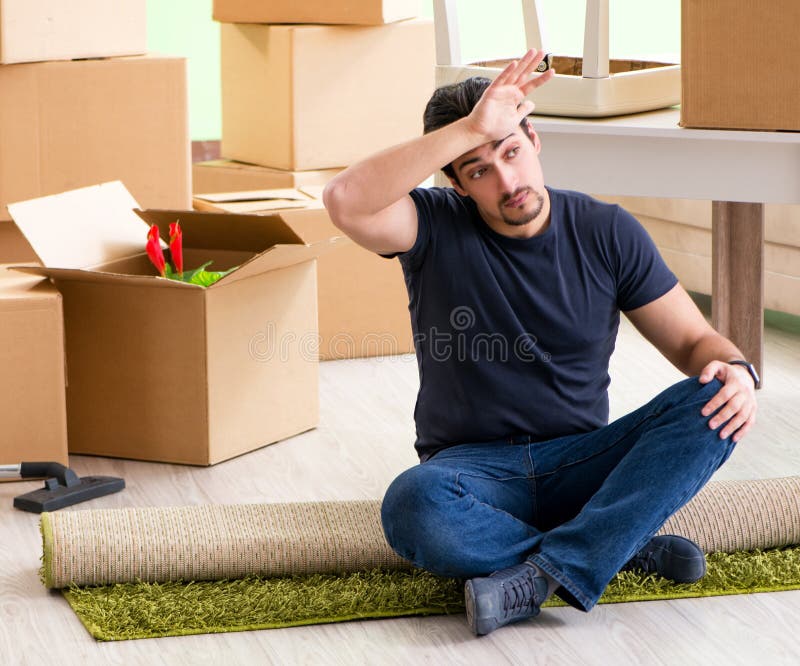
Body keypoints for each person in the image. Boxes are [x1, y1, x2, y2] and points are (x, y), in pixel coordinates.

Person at [322, 49, 759, 636]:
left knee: (709, 403)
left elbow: (692, 341)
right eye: (477, 169)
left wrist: (736, 370)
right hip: (471, 474)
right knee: (412, 506)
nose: (507, 180)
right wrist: (474, 127)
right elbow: (344, 200)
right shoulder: (431, 225)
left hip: (582, 462)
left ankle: (544, 570)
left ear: (534, 139)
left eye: (510, 151)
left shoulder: (606, 230)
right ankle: (614, 549)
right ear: (455, 182)